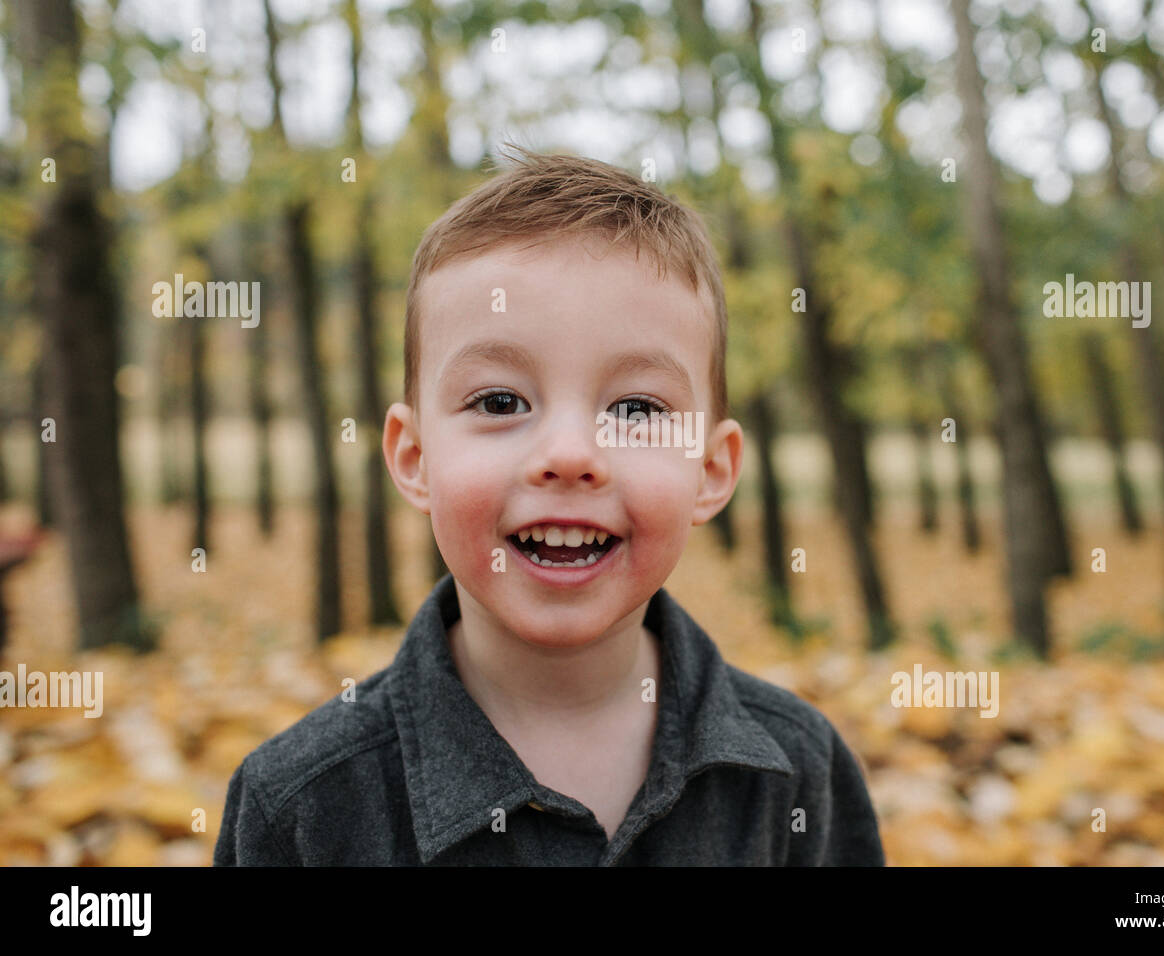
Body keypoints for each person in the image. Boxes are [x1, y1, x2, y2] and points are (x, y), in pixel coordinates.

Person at [214, 144, 885, 865]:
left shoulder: (797, 772)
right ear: (414, 459)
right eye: (501, 401)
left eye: (635, 408)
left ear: (711, 470)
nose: (570, 455)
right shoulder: (304, 806)